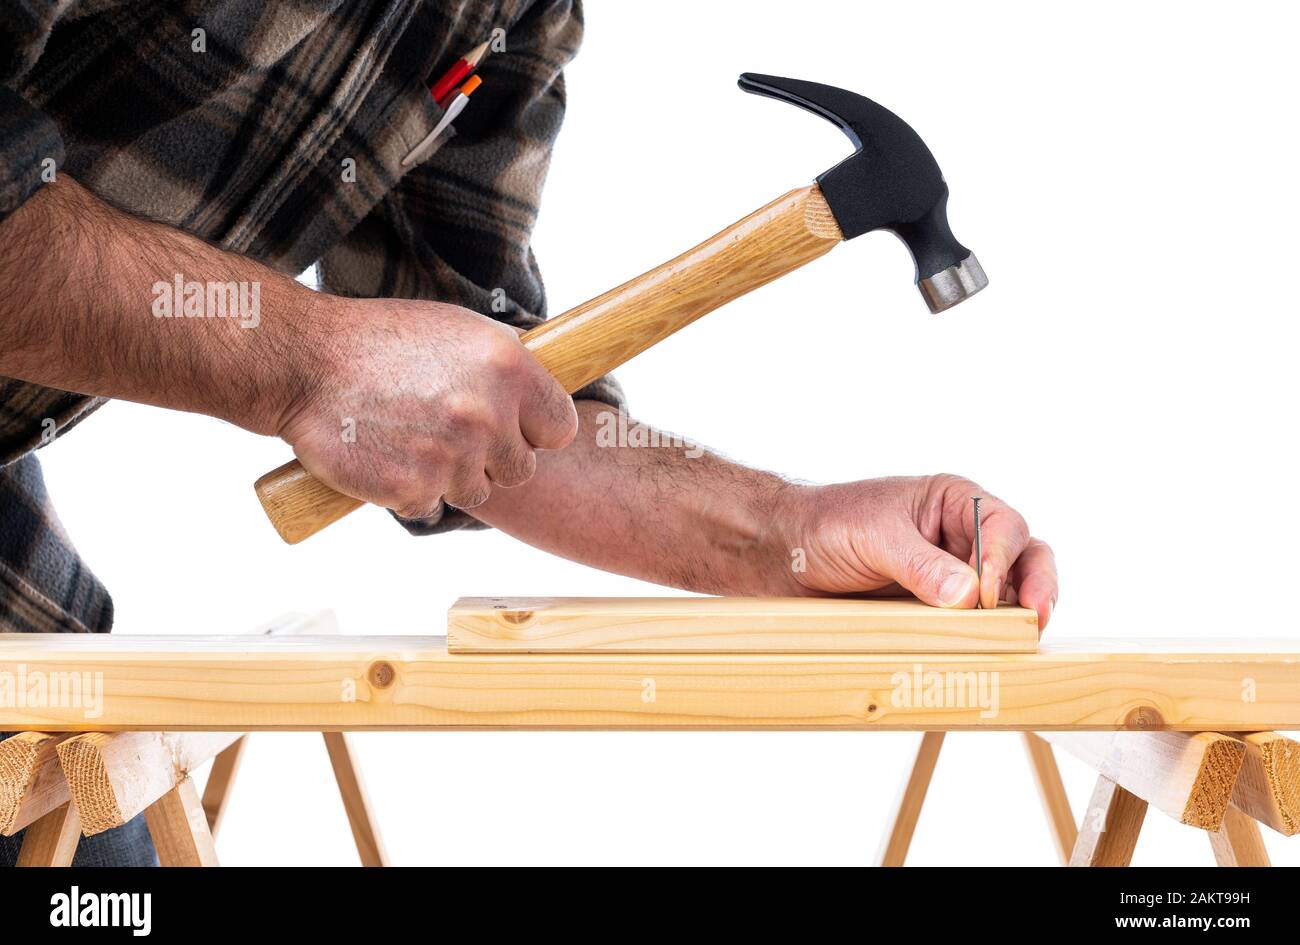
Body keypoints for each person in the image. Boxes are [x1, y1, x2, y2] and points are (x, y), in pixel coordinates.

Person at [0, 1, 1056, 865]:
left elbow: (489, 407)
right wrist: (310, 360)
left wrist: (790, 528)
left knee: (95, 867)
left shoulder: (506, 20)